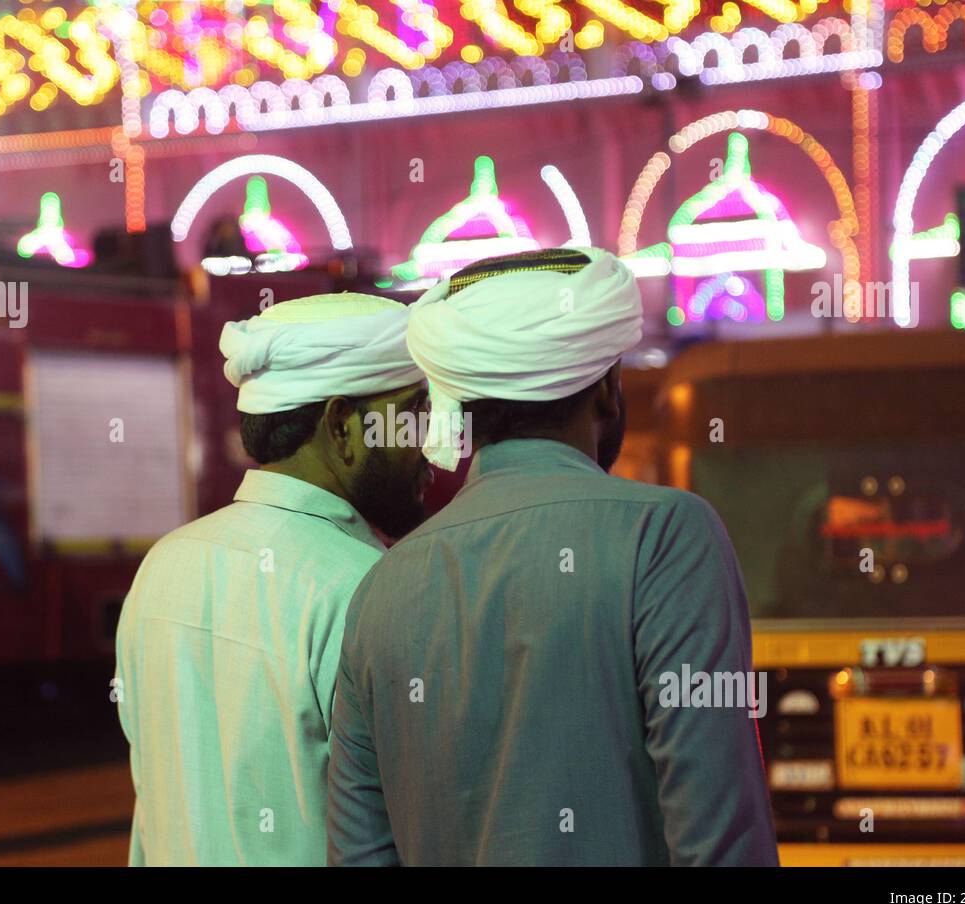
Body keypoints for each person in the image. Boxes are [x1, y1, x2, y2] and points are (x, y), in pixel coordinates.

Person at [326, 248, 779, 866]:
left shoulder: (381, 585)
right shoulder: (666, 536)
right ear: (608, 391)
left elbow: (360, 854)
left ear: (463, 404)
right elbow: (719, 840)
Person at [116, 292, 431, 866]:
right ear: (342, 426)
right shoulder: (368, 587)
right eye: (414, 416)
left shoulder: (164, 565)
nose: (430, 447)